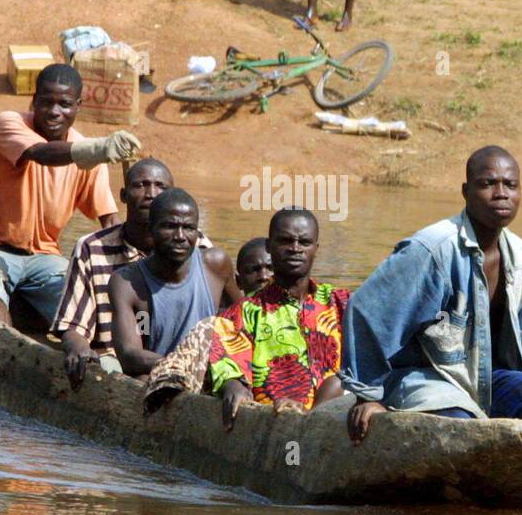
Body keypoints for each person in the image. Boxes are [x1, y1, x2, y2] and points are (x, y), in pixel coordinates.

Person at [339, 146, 522, 444]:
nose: (501, 194)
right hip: (423, 376)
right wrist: (365, 396)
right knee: (463, 425)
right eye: (488, 184)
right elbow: (366, 310)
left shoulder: (517, 252)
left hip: (481, 379)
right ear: (466, 191)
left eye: (510, 185)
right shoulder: (433, 249)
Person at [0, 63, 140, 328]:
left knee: (87, 311)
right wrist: (98, 148)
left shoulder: (90, 157)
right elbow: (41, 154)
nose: (54, 112)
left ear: (78, 105)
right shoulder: (10, 123)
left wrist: (126, 271)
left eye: (64, 104)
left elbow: (109, 222)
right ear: (33, 102)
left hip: (45, 258)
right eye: (46, 103)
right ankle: (3, 349)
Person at [51, 158, 234, 387]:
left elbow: (235, 319)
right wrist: (79, 350)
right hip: (115, 360)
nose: (151, 194)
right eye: (141, 185)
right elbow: (74, 325)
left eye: (161, 187)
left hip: (190, 362)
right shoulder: (92, 248)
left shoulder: (201, 249)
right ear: (123, 195)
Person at [210, 209, 350, 429]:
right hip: (273, 421)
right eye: (286, 241)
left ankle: (310, 421)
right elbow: (227, 359)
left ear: (316, 248)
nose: (295, 249)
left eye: (304, 242)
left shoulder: (341, 302)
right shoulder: (244, 311)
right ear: (269, 246)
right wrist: (232, 385)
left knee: (339, 382)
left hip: (334, 418)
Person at [107, 188, 237, 377]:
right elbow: (129, 355)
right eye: (169, 226)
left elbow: (241, 324)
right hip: (158, 376)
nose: (180, 236)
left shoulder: (216, 265)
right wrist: (181, 365)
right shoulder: (127, 283)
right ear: (150, 228)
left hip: (210, 376)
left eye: (189, 228)